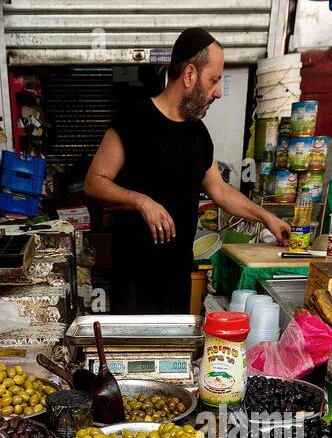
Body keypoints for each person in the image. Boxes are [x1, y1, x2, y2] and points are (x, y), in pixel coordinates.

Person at [86, 28, 290, 315]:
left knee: (175, 357)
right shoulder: (133, 120)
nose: (218, 91)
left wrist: (267, 218)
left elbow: (219, 190)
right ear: (190, 74)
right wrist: (141, 201)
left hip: (178, 277)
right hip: (134, 279)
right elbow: (94, 183)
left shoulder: (198, 133)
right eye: (214, 80)